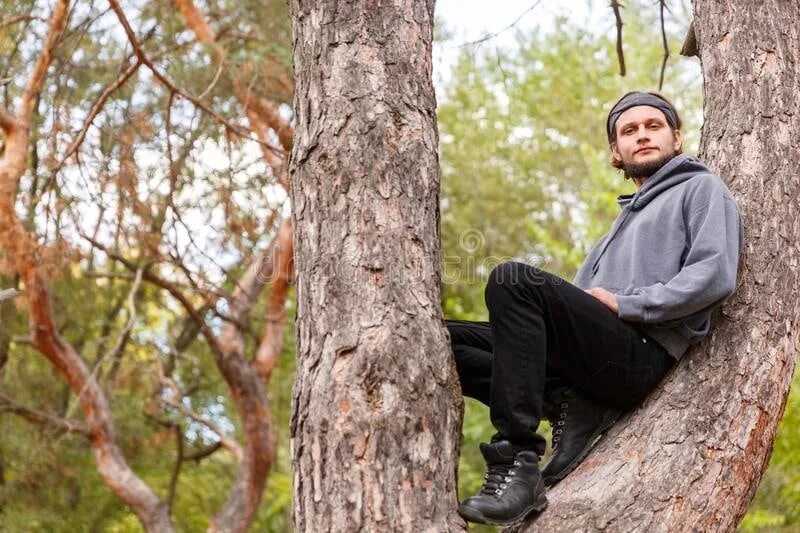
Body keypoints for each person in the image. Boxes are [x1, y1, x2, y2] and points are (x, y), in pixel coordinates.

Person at [449, 91, 744, 526]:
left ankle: (516, 463)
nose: (642, 135)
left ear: (676, 138)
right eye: (629, 131)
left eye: (653, 126)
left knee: (513, 280)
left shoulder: (701, 188)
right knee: (439, 338)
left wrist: (628, 303)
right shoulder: (617, 226)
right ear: (615, 152)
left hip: (639, 350)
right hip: (591, 357)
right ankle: (564, 397)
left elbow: (714, 274)